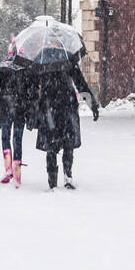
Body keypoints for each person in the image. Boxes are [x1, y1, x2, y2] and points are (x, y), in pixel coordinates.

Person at [35, 60, 99, 190]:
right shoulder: (68, 61)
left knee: (52, 145)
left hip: (51, 108)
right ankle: (66, 177)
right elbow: (81, 85)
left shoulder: (42, 62)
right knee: (67, 145)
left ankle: (53, 180)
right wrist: (93, 105)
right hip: (65, 107)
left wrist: (33, 109)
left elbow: (33, 88)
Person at [0, 59, 37, 187]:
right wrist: (31, 112)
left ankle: (9, 170)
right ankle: (16, 172)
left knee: (6, 138)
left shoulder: (2, 68)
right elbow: (32, 94)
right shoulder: (27, 70)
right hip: (20, 110)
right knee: (17, 140)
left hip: (6, 109)